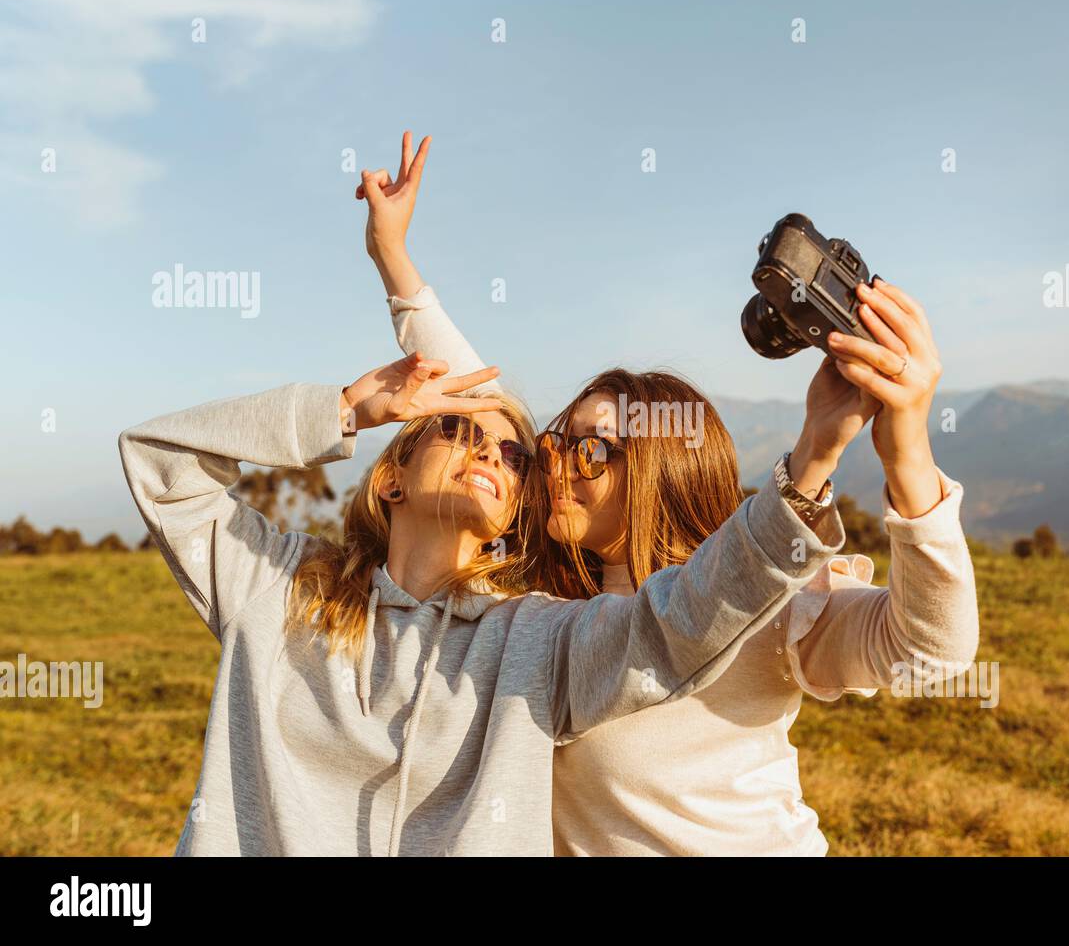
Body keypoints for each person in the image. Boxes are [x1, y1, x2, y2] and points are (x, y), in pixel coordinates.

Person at [355, 132, 980, 855]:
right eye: (558, 441)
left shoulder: (766, 604)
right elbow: (474, 394)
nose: (553, 463)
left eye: (590, 450)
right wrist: (393, 257)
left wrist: (905, 447)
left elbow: (934, 650)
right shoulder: (543, 609)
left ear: (659, 472)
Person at [119, 344, 854, 855]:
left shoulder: (536, 639)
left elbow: (676, 621)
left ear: (515, 506)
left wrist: (809, 465)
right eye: (455, 428)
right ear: (391, 475)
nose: (487, 453)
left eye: (511, 454)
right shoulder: (276, 583)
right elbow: (159, 462)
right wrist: (345, 408)